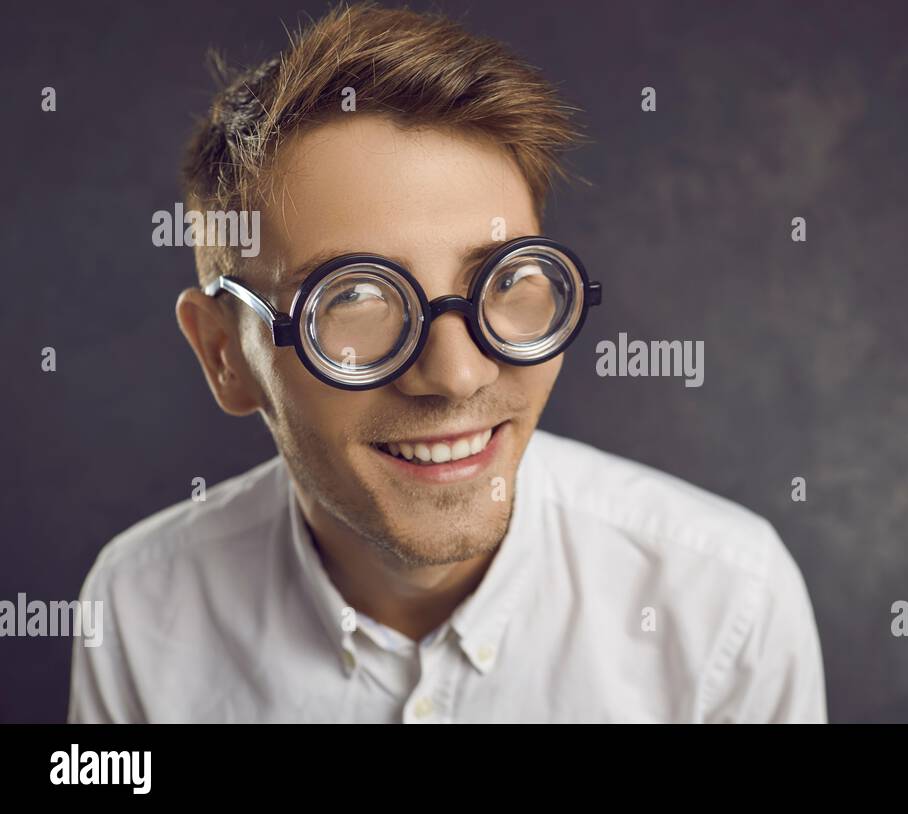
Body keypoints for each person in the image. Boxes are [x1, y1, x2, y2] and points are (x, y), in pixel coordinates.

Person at [69, 3, 825, 723]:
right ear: (224, 354)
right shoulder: (140, 605)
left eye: (504, 279)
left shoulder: (729, 600)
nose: (459, 374)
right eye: (355, 295)